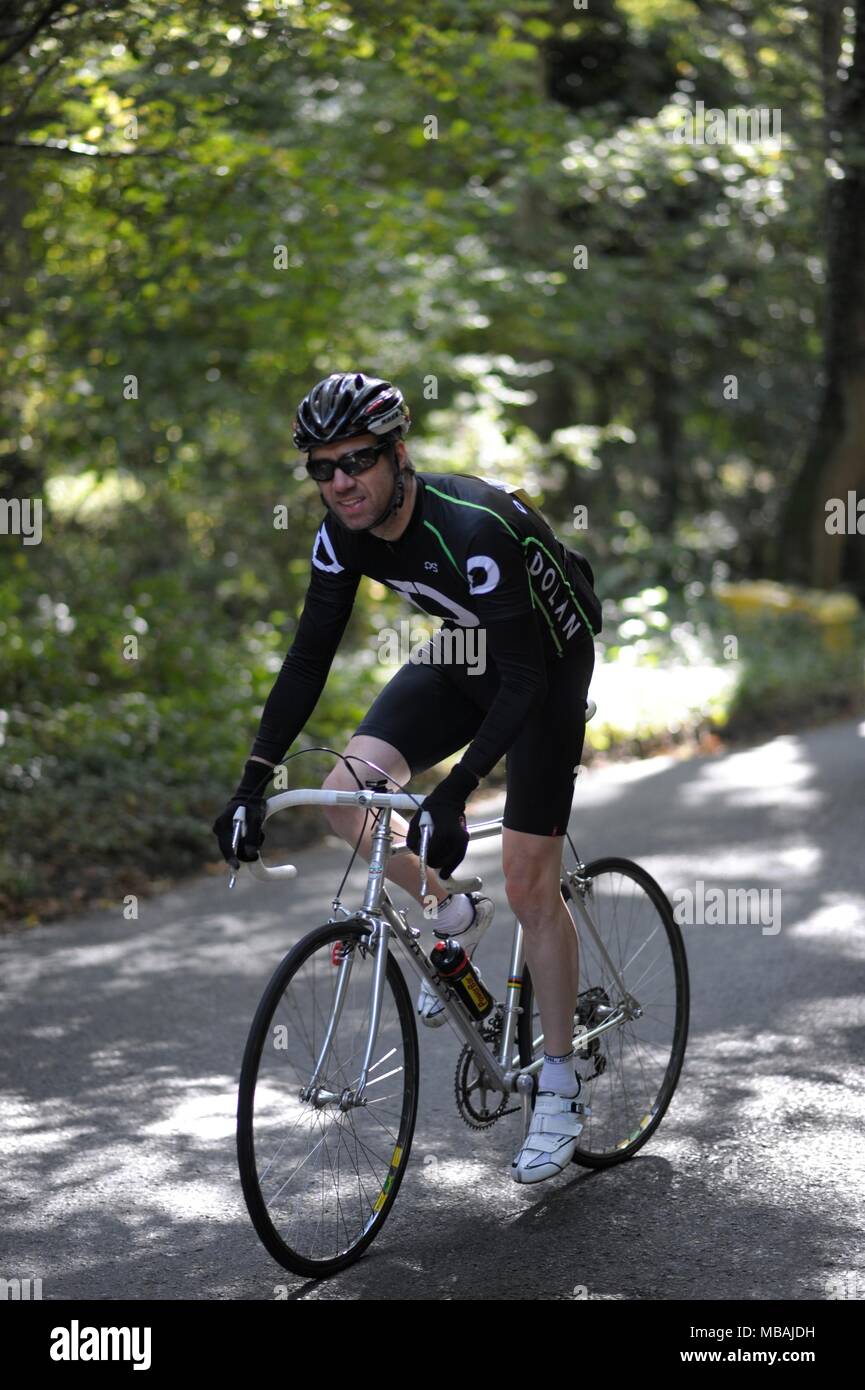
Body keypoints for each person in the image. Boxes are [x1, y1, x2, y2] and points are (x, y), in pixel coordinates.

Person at [213, 371, 601, 1183]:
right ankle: (453, 908)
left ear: (398, 454)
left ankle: (559, 1083)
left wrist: (455, 792)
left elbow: (525, 678)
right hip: (467, 653)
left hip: (544, 670)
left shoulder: (474, 524)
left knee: (533, 884)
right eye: (321, 468)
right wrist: (252, 780)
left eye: (355, 461)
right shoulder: (340, 533)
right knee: (348, 798)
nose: (339, 483)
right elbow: (308, 656)